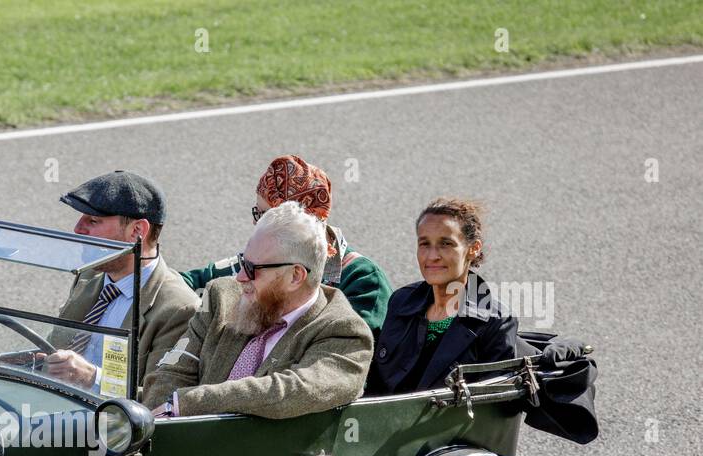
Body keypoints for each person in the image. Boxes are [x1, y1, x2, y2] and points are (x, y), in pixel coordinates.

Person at [142, 201, 372, 419]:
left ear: (296, 276)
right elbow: (170, 372)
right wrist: (169, 422)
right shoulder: (221, 297)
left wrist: (186, 404)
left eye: (253, 269)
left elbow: (289, 392)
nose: (240, 277)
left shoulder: (344, 333)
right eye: (243, 262)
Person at [181, 154, 392, 332]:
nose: (257, 224)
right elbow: (188, 283)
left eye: (267, 216)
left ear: (301, 222)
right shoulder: (256, 264)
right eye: (258, 214)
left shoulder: (363, 281)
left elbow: (352, 356)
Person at [43, 171, 199, 396]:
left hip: (113, 426)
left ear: (137, 231)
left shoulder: (179, 309)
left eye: (93, 220)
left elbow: (160, 399)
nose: (78, 229)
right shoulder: (87, 278)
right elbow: (55, 349)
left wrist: (92, 378)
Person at [365, 198, 517, 396]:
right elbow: (375, 382)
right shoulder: (401, 301)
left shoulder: (496, 323)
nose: (432, 256)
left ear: (473, 248)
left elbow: (493, 411)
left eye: (446, 244)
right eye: (424, 244)